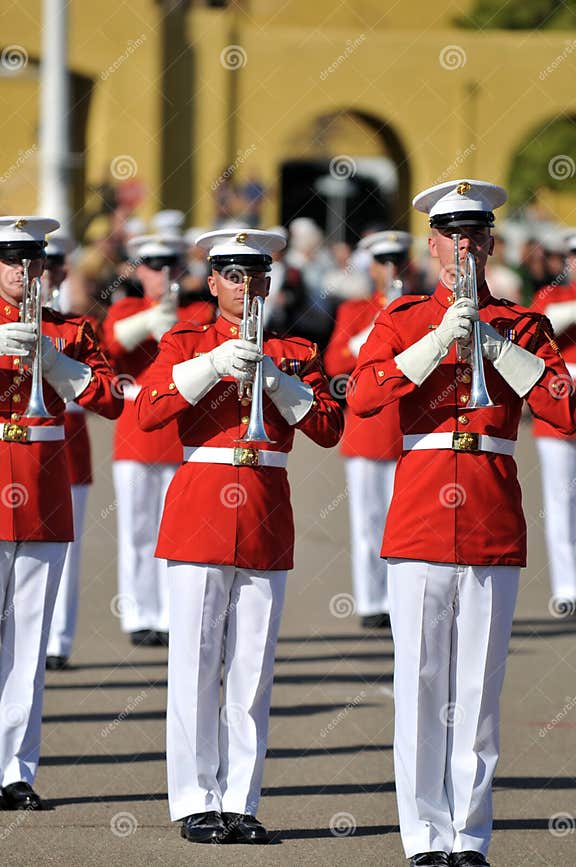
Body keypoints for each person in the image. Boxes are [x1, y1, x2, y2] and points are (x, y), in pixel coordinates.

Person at [348, 180, 576, 867]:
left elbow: (565, 408)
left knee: (478, 690)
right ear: (432, 246)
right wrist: (435, 343)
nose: (463, 248)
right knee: (419, 683)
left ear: (491, 244)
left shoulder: (524, 322)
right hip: (421, 511)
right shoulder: (403, 317)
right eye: (451, 236)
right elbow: (360, 396)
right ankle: (423, 834)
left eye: (475, 236)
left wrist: (498, 345)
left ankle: (470, 834)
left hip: (489, 513)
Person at [136, 229, 343, 844]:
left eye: (256, 274)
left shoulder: (296, 349)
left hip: (264, 508)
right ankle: (196, 798)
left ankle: (241, 800)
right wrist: (207, 367)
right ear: (212, 281)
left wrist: (279, 382)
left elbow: (331, 429)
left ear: (270, 281)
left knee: (252, 668)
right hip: (200, 505)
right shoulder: (185, 340)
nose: (246, 285)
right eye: (232, 274)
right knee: (196, 663)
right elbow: (145, 411)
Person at [0, 216, 122, 809]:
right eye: (12, 262)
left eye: (34, 263)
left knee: (30, 640)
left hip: (45, 493)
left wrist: (58, 364)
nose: (25, 273)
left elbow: (111, 399)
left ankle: (14, 770)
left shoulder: (71, 330)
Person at [103, 233, 214, 647]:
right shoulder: (125, 307)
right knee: (136, 529)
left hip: (179, 427)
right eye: (153, 266)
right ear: (140, 270)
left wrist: (175, 328)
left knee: (179, 530)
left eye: (169, 266)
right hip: (135, 428)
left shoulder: (199, 310)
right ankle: (138, 613)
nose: (161, 274)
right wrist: (150, 322)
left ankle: (171, 614)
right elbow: (112, 344)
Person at [324, 231, 410, 628]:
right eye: (384, 261)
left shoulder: (420, 307)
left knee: (407, 523)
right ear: (373, 267)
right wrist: (380, 322)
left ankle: (401, 599)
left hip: (409, 429)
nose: (391, 269)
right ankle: (371, 600)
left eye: (398, 260)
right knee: (368, 521)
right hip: (367, 429)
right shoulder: (355, 310)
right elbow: (336, 362)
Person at [43, 235, 95, 670]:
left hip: (66, 438)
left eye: (52, 265)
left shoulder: (74, 324)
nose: (46, 273)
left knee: (67, 550)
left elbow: (104, 390)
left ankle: (58, 640)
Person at [530, 231, 576, 611]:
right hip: (560, 402)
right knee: (560, 499)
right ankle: (567, 587)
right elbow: (542, 326)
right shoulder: (551, 295)